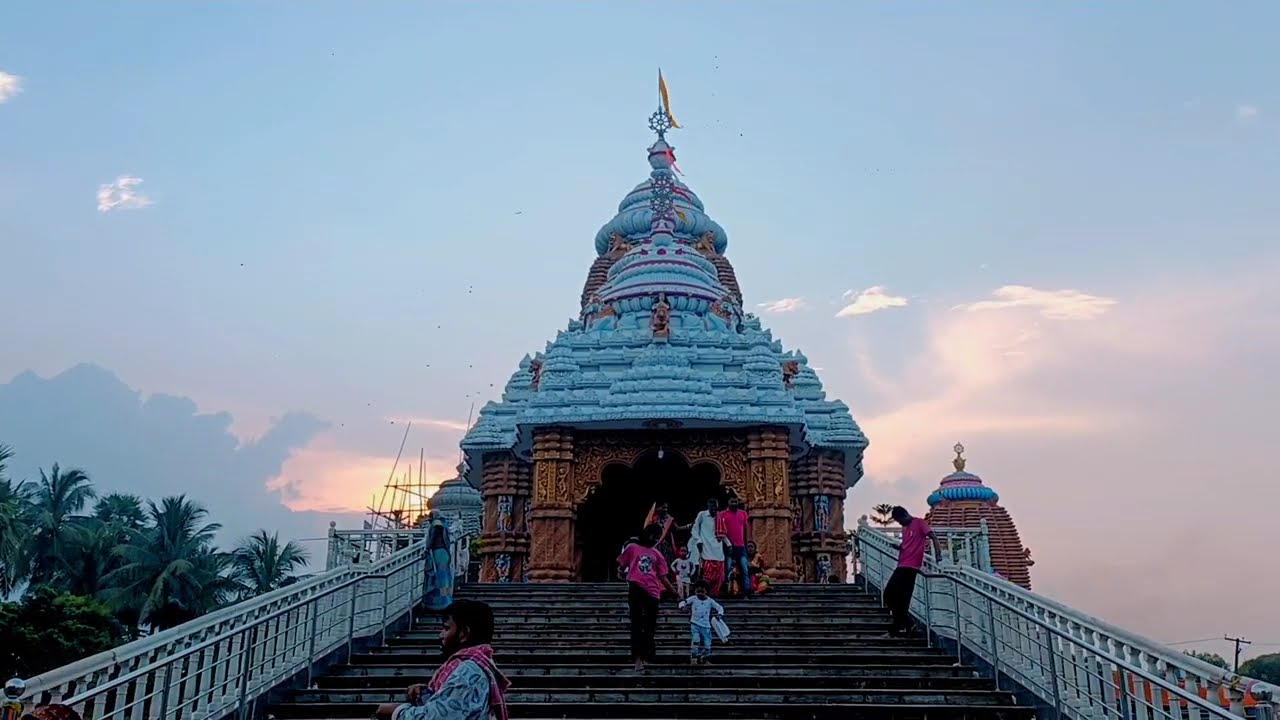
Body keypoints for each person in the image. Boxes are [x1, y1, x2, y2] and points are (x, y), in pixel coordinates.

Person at [376, 599, 510, 720]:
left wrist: (396, 711)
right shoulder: (479, 664)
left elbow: (436, 717)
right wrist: (428, 694)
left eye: (446, 628)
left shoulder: (468, 671)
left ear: (464, 633)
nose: (440, 635)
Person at [618, 523, 677, 670]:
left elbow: (663, 577)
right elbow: (621, 565)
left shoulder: (657, 554)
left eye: (657, 537)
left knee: (650, 626)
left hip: (653, 592)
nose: (654, 539)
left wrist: (676, 594)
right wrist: (621, 572)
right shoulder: (632, 548)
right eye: (652, 535)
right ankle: (637, 657)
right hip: (636, 588)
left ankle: (648, 656)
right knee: (637, 623)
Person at [884, 506, 942, 638]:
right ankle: (908, 625)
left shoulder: (919, 523)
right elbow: (907, 545)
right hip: (902, 564)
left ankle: (899, 628)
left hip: (911, 567)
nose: (900, 524)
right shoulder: (905, 529)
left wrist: (938, 555)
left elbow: (933, 537)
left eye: (900, 521)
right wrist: (899, 547)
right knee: (892, 597)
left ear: (905, 515)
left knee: (897, 597)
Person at [677, 580, 724, 665]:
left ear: (706, 591)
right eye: (698, 591)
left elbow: (720, 608)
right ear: (695, 591)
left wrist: (719, 615)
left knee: (707, 644)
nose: (700, 594)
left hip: (706, 626)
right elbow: (683, 602)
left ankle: (704, 658)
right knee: (695, 640)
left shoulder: (710, 601)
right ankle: (694, 657)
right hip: (695, 624)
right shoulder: (693, 599)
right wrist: (682, 607)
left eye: (702, 592)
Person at [687, 498, 727, 596]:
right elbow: (695, 529)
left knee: (719, 575)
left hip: (718, 549)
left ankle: (714, 594)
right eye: (711, 506)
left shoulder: (720, 517)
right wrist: (699, 541)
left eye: (715, 506)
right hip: (705, 548)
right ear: (708, 506)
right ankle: (704, 593)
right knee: (706, 574)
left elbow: (723, 533)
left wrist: (729, 545)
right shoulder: (702, 515)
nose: (713, 508)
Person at [719, 497, 751, 598]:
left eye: (735, 501)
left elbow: (746, 530)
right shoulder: (722, 514)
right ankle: (727, 592)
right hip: (728, 546)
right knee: (727, 570)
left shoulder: (743, 514)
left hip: (741, 547)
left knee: (745, 570)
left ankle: (746, 593)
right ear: (728, 502)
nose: (734, 503)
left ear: (738, 502)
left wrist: (747, 544)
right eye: (732, 501)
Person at [423, 516, 454, 611]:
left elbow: (432, 537)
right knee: (444, 578)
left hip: (439, 553)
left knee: (441, 579)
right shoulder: (443, 524)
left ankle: (443, 601)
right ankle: (446, 599)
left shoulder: (437, 524)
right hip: (442, 553)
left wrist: (427, 548)